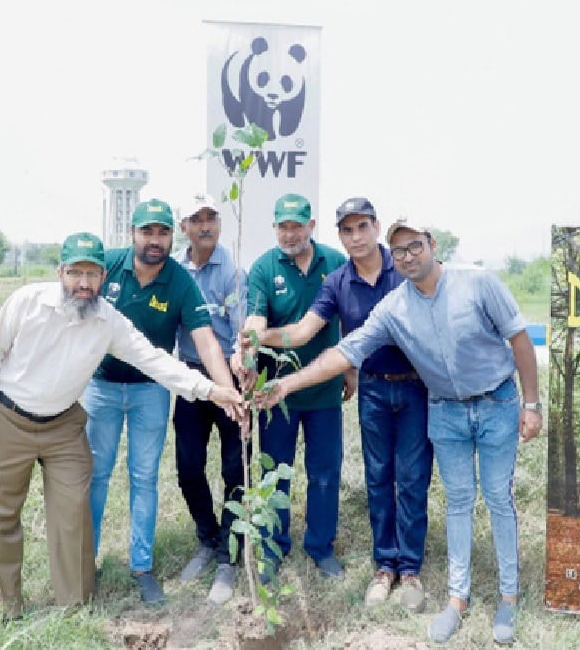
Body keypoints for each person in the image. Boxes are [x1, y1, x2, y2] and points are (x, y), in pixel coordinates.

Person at [254, 218, 542, 645]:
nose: (408, 256)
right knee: (459, 502)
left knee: (499, 498)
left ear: (432, 244)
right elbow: (343, 352)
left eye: (415, 246)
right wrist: (285, 385)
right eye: (401, 250)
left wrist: (531, 403)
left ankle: (508, 597)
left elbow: (519, 339)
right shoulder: (393, 307)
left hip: (497, 403)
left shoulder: (477, 282)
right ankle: (457, 599)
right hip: (444, 411)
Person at [0, 231, 242, 620]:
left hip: (63, 425)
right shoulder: (27, 302)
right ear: (60, 272)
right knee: (1, 516)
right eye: (75, 273)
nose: (83, 283)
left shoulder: (107, 321)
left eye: (92, 274)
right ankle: (6, 608)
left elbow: (155, 360)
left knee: (73, 512)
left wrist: (211, 389)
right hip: (9, 418)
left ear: (103, 278)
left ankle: (74, 607)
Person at [248, 197, 433, 612]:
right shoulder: (337, 280)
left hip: (416, 389)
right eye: (347, 230)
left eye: (362, 227)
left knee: (413, 477)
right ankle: (384, 567)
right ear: (339, 234)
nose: (356, 237)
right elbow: (300, 333)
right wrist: (256, 340)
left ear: (375, 226)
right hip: (371, 388)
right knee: (379, 478)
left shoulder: (401, 269)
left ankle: (411, 571)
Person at [83, 199, 239, 605]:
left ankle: (142, 566)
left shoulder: (180, 281)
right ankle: (85, 563)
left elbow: (205, 341)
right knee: (96, 475)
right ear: (131, 233)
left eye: (163, 232)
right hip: (100, 387)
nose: (155, 241)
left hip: (150, 389)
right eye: (147, 232)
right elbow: (73, 299)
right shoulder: (108, 266)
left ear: (173, 235)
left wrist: (226, 393)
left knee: (144, 477)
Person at [231, 193, 350, 583]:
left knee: (325, 471)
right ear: (275, 228)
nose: (289, 233)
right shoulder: (264, 267)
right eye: (283, 226)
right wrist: (247, 352)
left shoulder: (334, 262)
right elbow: (255, 317)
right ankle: (271, 545)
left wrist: (352, 371)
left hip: (325, 388)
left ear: (311, 227)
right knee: (275, 470)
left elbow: (349, 318)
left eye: (297, 225)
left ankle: (320, 546)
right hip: (275, 391)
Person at [173, 192, 250, 605]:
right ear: (183, 227)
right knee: (187, 466)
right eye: (196, 219)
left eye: (211, 218)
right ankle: (207, 536)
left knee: (235, 468)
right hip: (190, 378)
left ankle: (228, 554)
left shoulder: (233, 271)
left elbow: (243, 331)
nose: (205, 225)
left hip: (231, 378)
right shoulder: (175, 270)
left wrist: (241, 363)